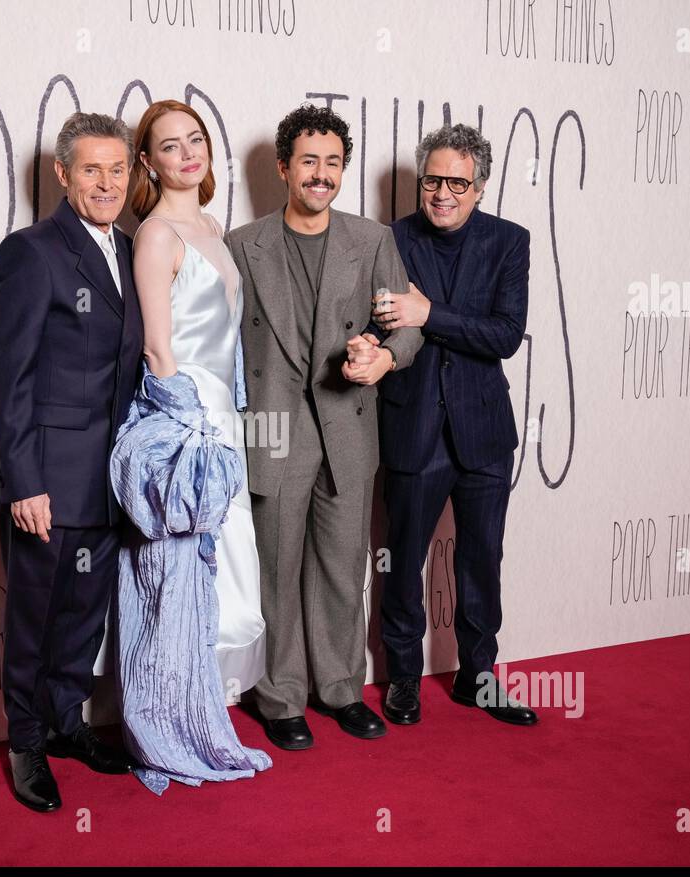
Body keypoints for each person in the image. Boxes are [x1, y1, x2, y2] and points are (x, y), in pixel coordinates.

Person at [226, 105, 424, 751]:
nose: (321, 174)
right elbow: (219, 343)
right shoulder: (241, 244)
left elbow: (408, 324)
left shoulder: (372, 240)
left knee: (342, 569)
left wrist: (385, 356)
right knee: (275, 571)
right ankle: (280, 698)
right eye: (308, 161)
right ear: (283, 167)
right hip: (271, 429)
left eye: (333, 163)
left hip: (347, 426)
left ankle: (341, 689)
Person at [109, 100, 272, 794]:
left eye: (196, 140)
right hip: (184, 418)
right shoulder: (156, 233)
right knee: (180, 575)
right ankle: (169, 727)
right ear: (148, 162)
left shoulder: (212, 226)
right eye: (170, 146)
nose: (188, 153)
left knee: (225, 580)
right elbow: (156, 343)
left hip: (222, 418)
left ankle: (201, 711)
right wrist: (187, 428)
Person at [0, 112, 145, 813]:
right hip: (49, 478)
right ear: (61, 174)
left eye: (117, 169)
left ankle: (63, 723)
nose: (107, 183)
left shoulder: (134, 249)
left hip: (111, 478)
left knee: (85, 614)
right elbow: (9, 376)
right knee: (34, 616)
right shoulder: (31, 252)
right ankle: (24, 740)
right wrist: (24, 482)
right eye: (91, 169)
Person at [368, 123, 537, 727]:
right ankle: (404, 678)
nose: (443, 193)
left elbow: (505, 335)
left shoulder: (509, 242)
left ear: (480, 186)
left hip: (484, 430)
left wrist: (427, 313)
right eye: (433, 180)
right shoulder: (389, 240)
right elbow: (380, 321)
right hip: (411, 425)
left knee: (482, 557)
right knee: (402, 558)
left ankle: (478, 677)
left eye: (457, 183)